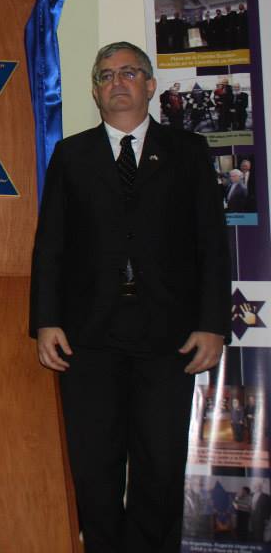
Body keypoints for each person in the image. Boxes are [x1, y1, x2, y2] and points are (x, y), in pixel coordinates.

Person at [30, 42, 230, 552]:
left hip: (168, 340)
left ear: (149, 86)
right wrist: (47, 320)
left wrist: (213, 324)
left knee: (159, 469)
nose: (117, 82)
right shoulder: (71, 155)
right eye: (106, 75)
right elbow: (50, 244)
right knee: (93, 469)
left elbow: (211, 243)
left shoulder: (187, 153)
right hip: (88, 338)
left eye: (129, 72)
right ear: (95, 91)